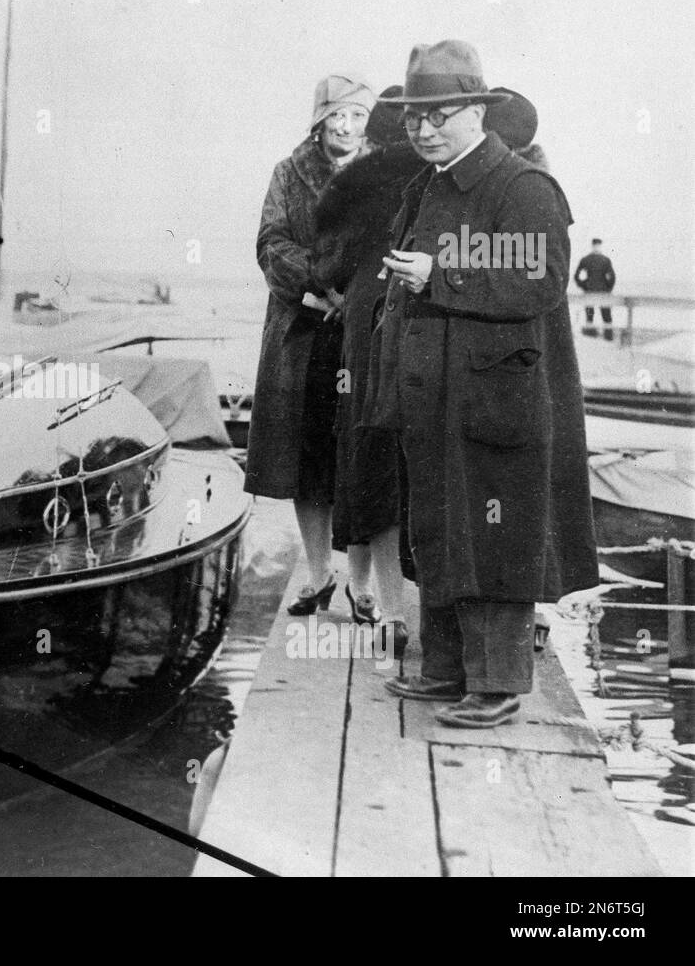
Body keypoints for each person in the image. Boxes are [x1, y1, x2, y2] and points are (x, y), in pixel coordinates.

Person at [365, 40, 598, 728]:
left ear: (479, 113)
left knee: (494, 536)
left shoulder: (522, 186)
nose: (425, 129)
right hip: (435, 394)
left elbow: (539, 282)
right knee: (439, 526)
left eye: (441, 115)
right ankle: (446, 670)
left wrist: (438, 276)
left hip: (498, 397)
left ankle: (494, 685)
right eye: (415, 119)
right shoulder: (431, 183)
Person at [245, 75, 374, 616]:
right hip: (304, 333)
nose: (345, 127)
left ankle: (362, 583)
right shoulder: (288, 174)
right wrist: (320, 286)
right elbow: (271, 243)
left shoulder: (383, 174)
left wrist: (360, 294)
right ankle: (319, 572)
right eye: (335, 117)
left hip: (367, 332)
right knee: (307, 454)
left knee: (367, 456)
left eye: (356, 116)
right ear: (319, 121)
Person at [311, 86, 426, 628]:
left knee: (364, 449)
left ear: (374, 131)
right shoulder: (439, 175)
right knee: (413, 461)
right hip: (424, 319)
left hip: (366, 317)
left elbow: (327, 262)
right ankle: (409, 606)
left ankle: (379, 603)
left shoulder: (354, 183)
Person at [575, 238, 617, 339]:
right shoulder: (605, 260)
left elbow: (576, 276)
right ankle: (608, 336)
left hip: (589, 290)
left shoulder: (585, 259)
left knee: (590, 314)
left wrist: (584, 285)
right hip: (603, 291)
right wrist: (608, 288)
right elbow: (612, 277)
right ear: (599, 245)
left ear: (592, 245)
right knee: (606, 315)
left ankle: (590, 335)